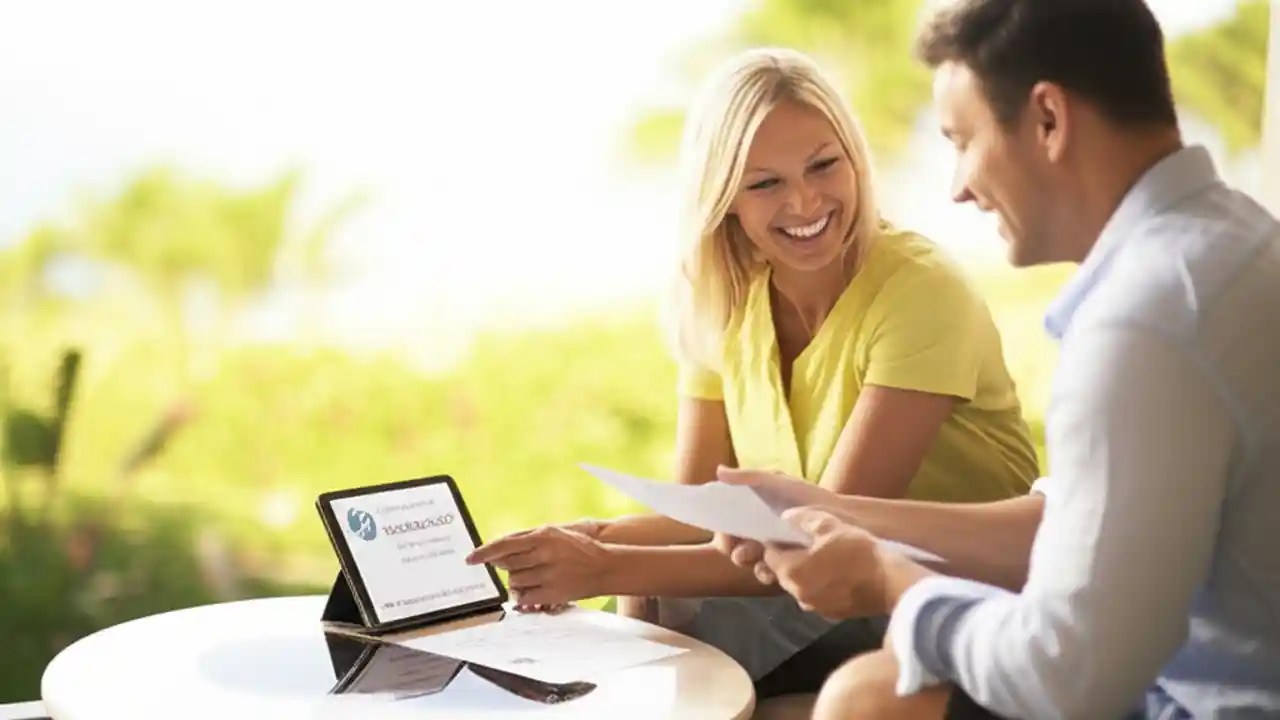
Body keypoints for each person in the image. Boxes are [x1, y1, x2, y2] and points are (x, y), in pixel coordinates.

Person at [714, 1, 1280, 718]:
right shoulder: (1233, 241)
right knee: (872, 687)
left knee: (868, 702)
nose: (958, 186)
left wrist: (890, 583)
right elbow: (1073, 521)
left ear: (1048, 120)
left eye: (962, 139)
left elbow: (1067, 678)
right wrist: (835, 511)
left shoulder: (1144, 321)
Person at [466, 47, 1038, 696]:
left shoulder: (920, 291)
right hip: (819, 583)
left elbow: (824, 539)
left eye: (824, 165)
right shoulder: (730, 302)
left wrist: (603, 565)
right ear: (726, 199)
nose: (805, 201)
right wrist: (592, 538)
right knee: (641, 610)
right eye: (765, 183)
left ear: (855, 159)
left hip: (939, 588)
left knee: (668, 634)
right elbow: (699, 516)